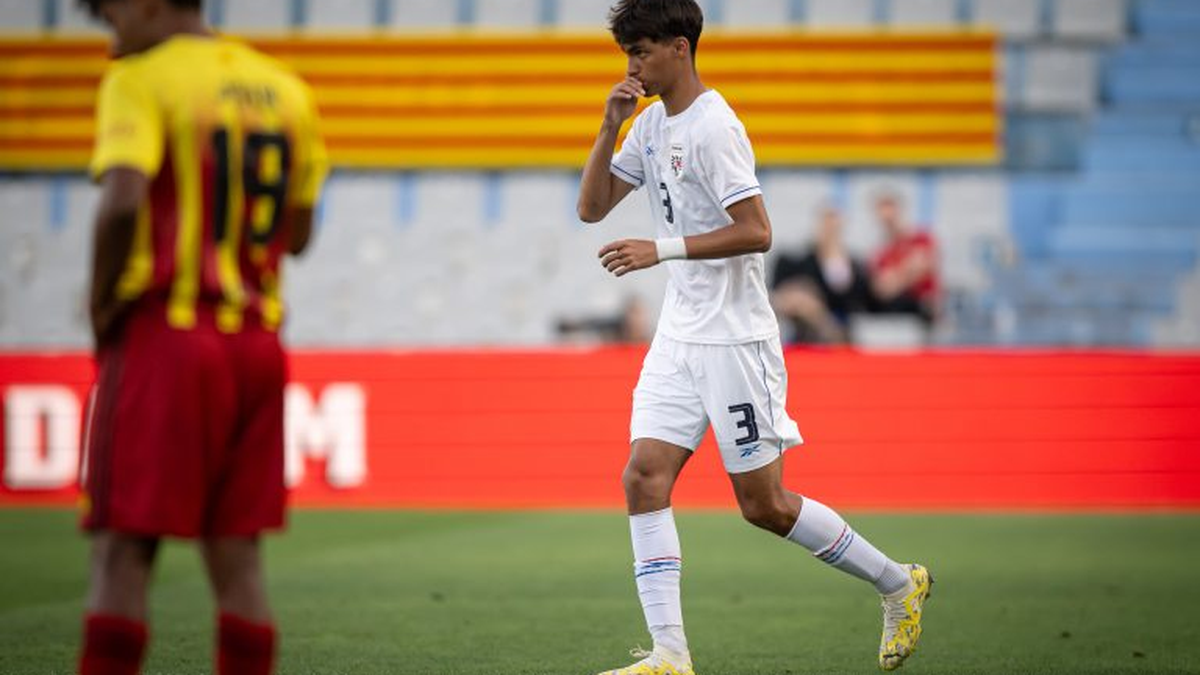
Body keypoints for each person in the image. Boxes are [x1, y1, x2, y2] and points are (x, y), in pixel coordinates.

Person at [576, 2, 932, 673]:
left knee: (763, 505)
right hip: (679, 337)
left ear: (679, 49)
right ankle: (670, 655)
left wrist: (663, 249)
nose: (632, 66)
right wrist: (607, 127)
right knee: (643, 477)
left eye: (642, 52)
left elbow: (758, 230)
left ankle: (897, 581)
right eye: (627, 54)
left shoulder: (716, 127)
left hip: (736, 340)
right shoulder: (648, 123)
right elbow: (592, 207)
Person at [76, 1, 327, 674]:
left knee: (123, 548)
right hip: (257, 343)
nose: (111, 39)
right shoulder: (287, 91)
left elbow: (124, 200)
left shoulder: (144, 79)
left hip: (169, 333)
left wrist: (102, 307)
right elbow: (299, 235)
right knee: (238, 556)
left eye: (110, 17)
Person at [770, 205, 874, 344]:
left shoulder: (854, 264)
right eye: (826, 223)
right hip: (806, 329)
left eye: (834, 225)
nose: (830, 228)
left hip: (841, 325)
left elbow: (857, 297)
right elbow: (782, 293)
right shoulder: (799, 261)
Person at [868, 191, 941, 325]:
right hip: (898, 312)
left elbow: (925, 266)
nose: (889, 224)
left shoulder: (921, 238)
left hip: (925, 309)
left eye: (891, 218)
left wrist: (896, 278)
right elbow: (882, 289)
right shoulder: (882, 253)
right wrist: (909, 270)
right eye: (885, 221)